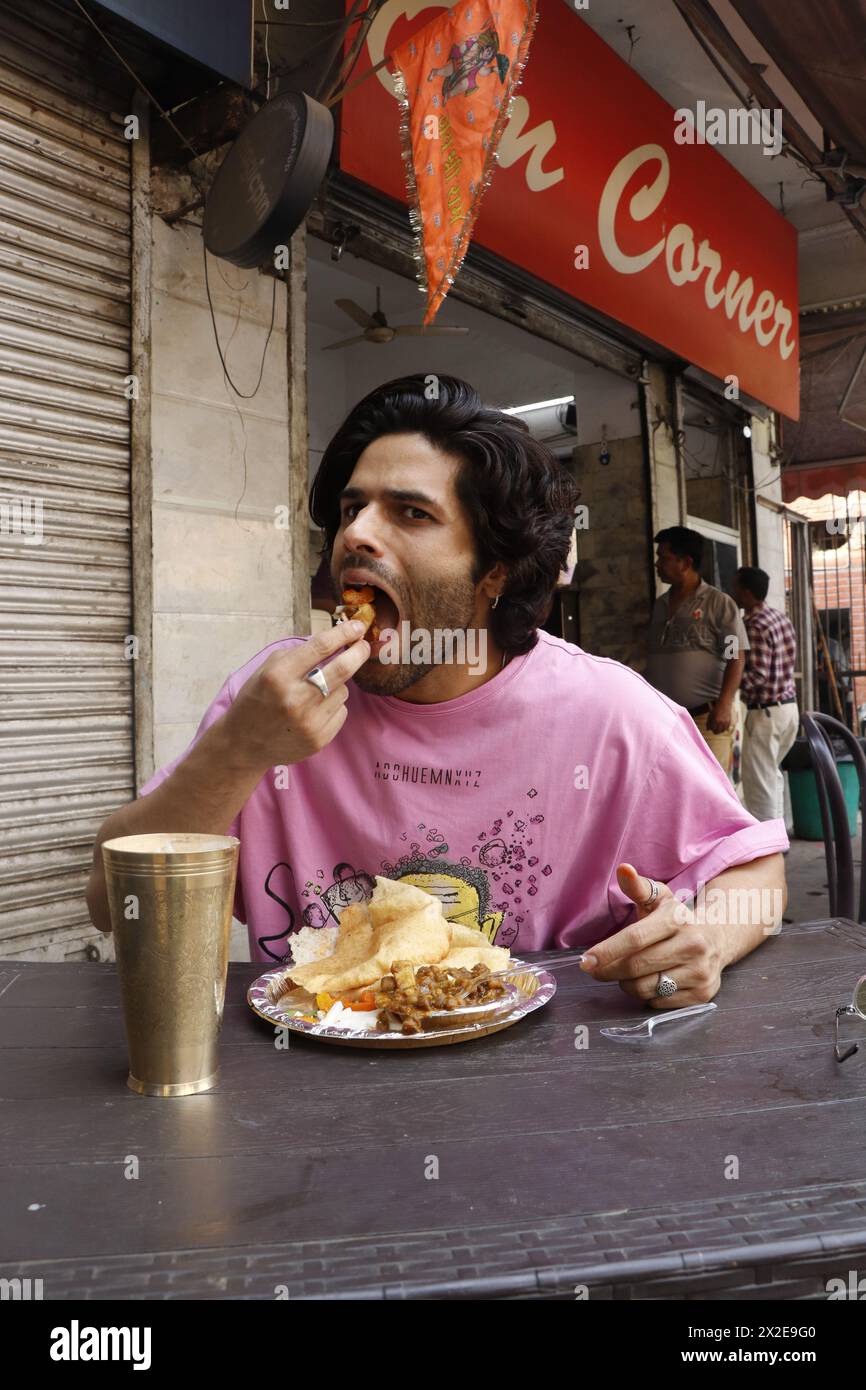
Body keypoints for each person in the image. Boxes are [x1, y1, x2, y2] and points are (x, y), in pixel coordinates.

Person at [86, 377, 788, 1010]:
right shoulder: (271, 700)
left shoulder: (613, 716)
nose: (356, 533)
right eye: (352, 507)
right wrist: (239, 750)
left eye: (410, 514)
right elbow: (112, 904)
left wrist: (706, 941)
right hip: (305, 1102)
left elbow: (757, 872)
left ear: (494, 575)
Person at [647, 527, 747, 775]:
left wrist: (725, 703)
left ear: (685, 562)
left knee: (713, 792)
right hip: (667, 722)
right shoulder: (660, 606)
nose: (657, 564)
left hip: (707, 719)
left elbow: (736, 655)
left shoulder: (719, 603)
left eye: (664, 557)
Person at [732, 567, 799, 823]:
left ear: (747, 593)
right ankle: (778, 838)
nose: (733, 592)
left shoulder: (754, 625)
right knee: (771, 776)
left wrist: (728, 687)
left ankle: (767, 852)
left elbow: (758, 675)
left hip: (766, 712)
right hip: (787, 709)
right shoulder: (779, 617)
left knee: (759, 785)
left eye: (736, 587)